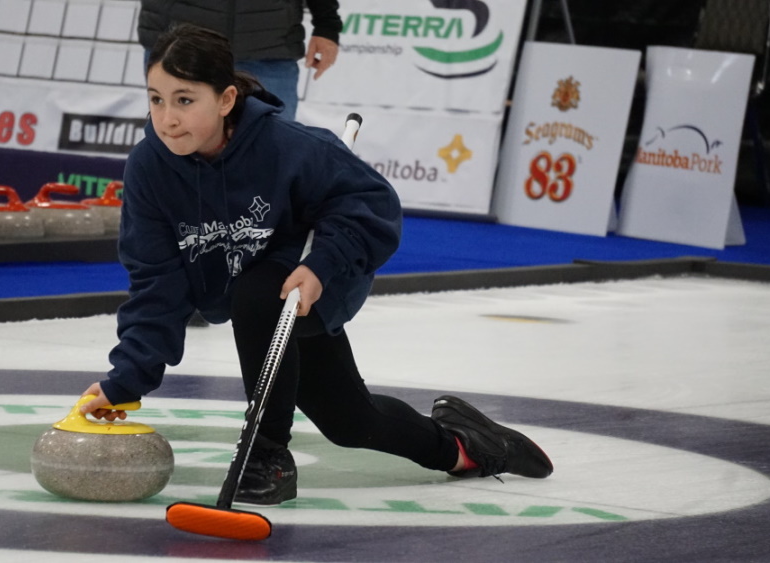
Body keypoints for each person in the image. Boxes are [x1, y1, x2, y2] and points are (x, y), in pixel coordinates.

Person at [80, 23, 553, 506]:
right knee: (351, 422)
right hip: (261, 301)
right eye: (155, 99)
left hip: (314, 278)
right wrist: (126, 379)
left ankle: (267, 456)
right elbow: (156, 283)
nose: (167, 118)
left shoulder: (288, 145)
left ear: (225, 100)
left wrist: (323, 265)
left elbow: (373, 205)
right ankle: (466, 447)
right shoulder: (149, 168)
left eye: (184, 100)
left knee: (259, 291)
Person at [137, 0, 341, 119]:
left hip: (269, 45)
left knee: (273, 155)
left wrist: (327, 24)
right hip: (180, 46)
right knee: (176, 154)